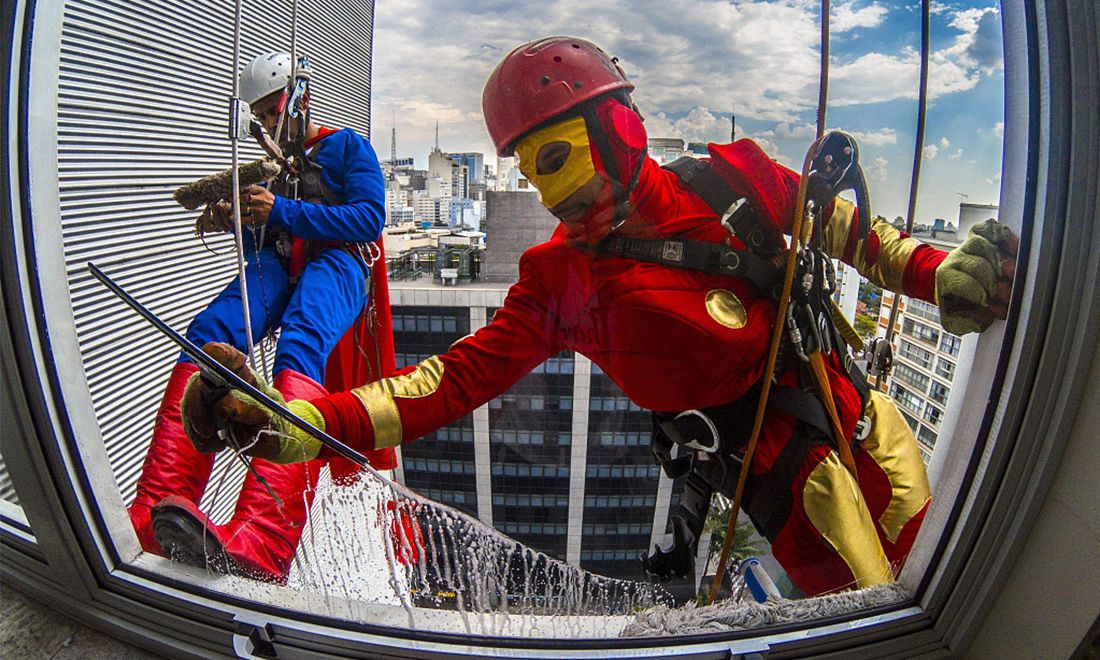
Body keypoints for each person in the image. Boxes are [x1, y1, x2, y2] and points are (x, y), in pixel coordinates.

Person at [176, 38, 1017, 597]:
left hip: (858, 412)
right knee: (872, 609)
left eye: (553, 157)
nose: (548, 193)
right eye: (528, 172)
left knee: (947, 559)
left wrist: (941, 276)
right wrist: (301, 424)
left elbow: (847, 231)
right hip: (784, 476)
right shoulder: (561, 279)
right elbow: (449, 381)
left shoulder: (731, 178)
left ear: (616, 127)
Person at [127, 51, 395, 582]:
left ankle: (266, 536)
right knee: (211, 332)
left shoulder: (347, 147)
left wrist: (282, 210)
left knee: (300, 343)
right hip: (280, 257)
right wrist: (236, 220)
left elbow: (369, 217)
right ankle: (156, 501)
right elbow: (270, 228)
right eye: (261, 117)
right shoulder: (274, 170)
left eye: (274, 111)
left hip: (338, 261)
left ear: (299, 100)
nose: (269, 125)